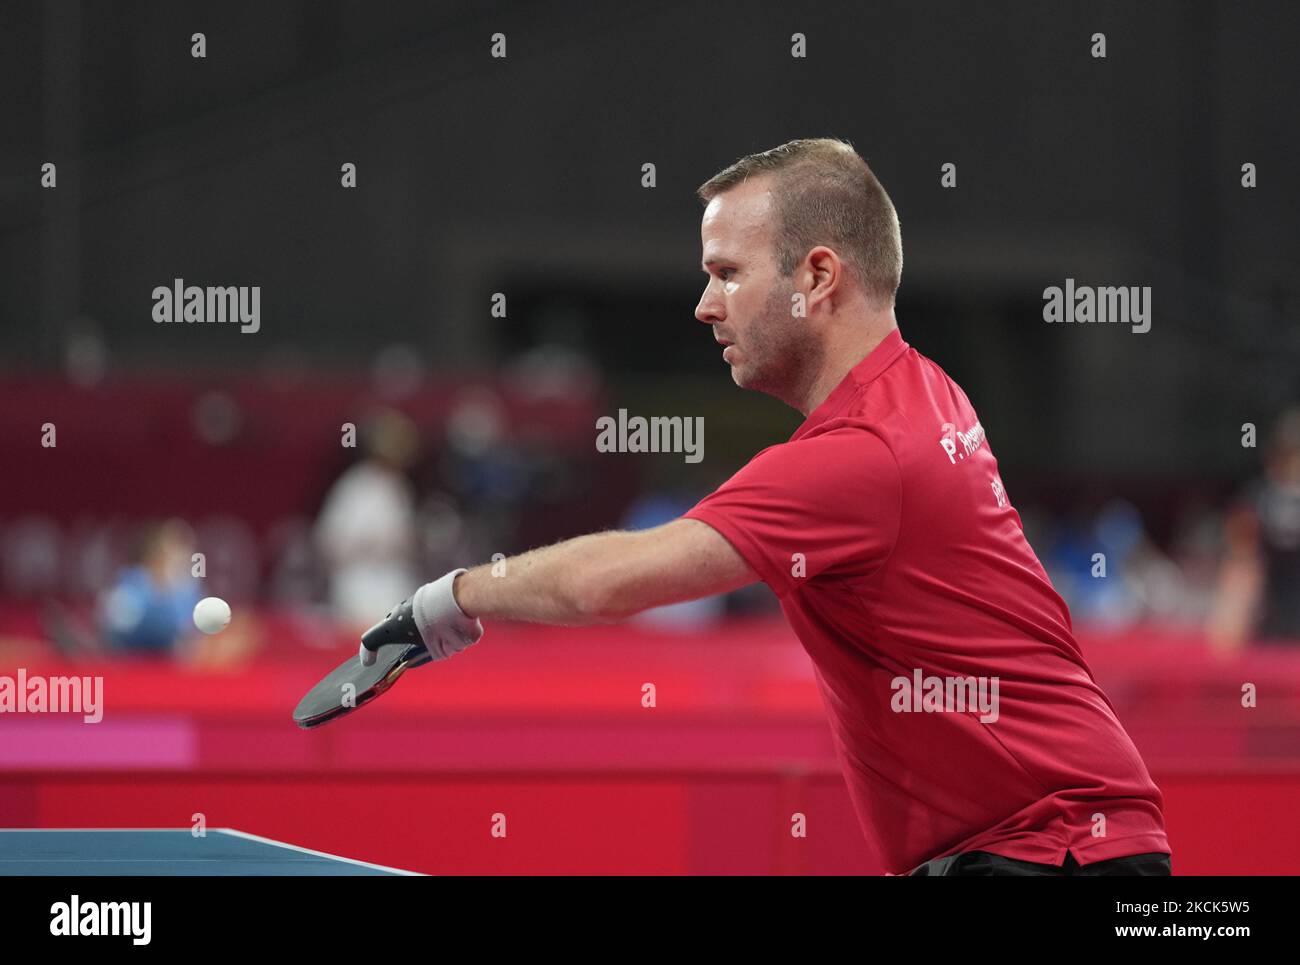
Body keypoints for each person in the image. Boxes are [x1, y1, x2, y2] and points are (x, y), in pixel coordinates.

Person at [361, 138, 1171, 876]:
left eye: (728, 272)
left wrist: (450, 595)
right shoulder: (926, 389)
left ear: (817, 277)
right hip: (1069, 843)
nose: (704, 305)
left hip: (1046, 851)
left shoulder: (861, 454)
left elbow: (611, 582)